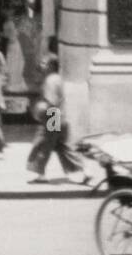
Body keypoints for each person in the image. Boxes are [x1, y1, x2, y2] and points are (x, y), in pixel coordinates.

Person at [27, 55, 87, 183]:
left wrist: (40, 112)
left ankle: (40, 175)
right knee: (63, 147)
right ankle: (83, 170)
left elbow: (51, 102)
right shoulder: (57, 78)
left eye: (44, 63)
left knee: (42, 144)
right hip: (60, 116)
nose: (41, 65)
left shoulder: (50, 80)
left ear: (51, 66)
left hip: (53, 116)